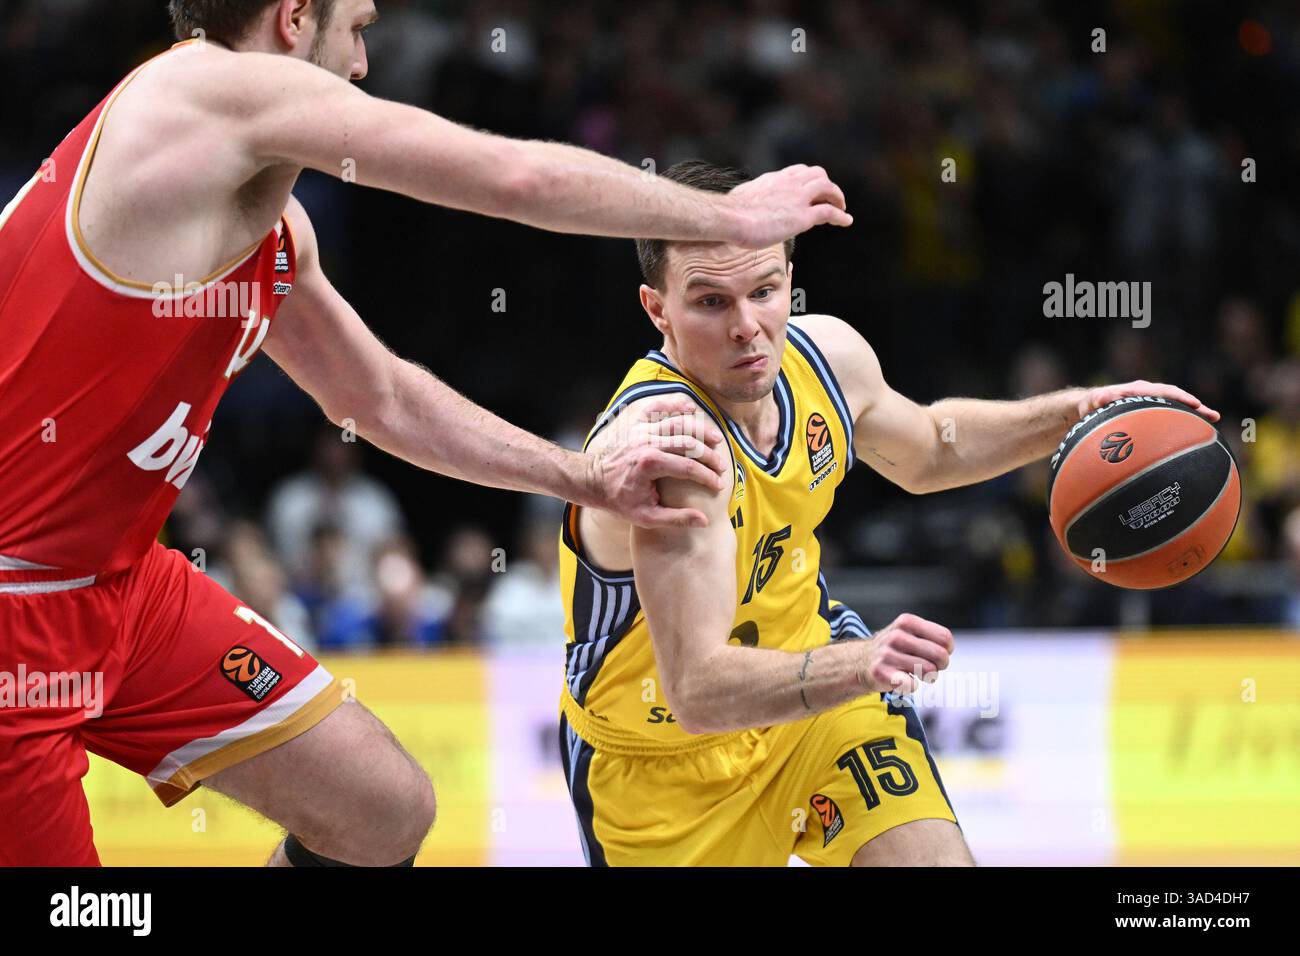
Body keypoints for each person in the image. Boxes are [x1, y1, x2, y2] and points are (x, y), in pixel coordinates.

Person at [0, 0, 850, 867]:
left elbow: (381, 399)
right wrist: (733, 222)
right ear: (295, 19)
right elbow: (511, 179)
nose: (365, 65)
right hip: (14, 609)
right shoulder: (209, 94)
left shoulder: (264, 214)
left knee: (382, 812)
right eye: (359, 29)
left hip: (119, 583)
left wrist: (583, 479)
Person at [558, 160, 1218, 866]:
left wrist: (1075, 413)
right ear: (657, 309)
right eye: (711, 303)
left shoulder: (826, 359)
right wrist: (861, 661)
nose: (749, 326)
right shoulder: (666, 452)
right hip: (662, 767)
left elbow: (932, 448)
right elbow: (696, 691)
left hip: (813, 707)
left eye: (765, 290)